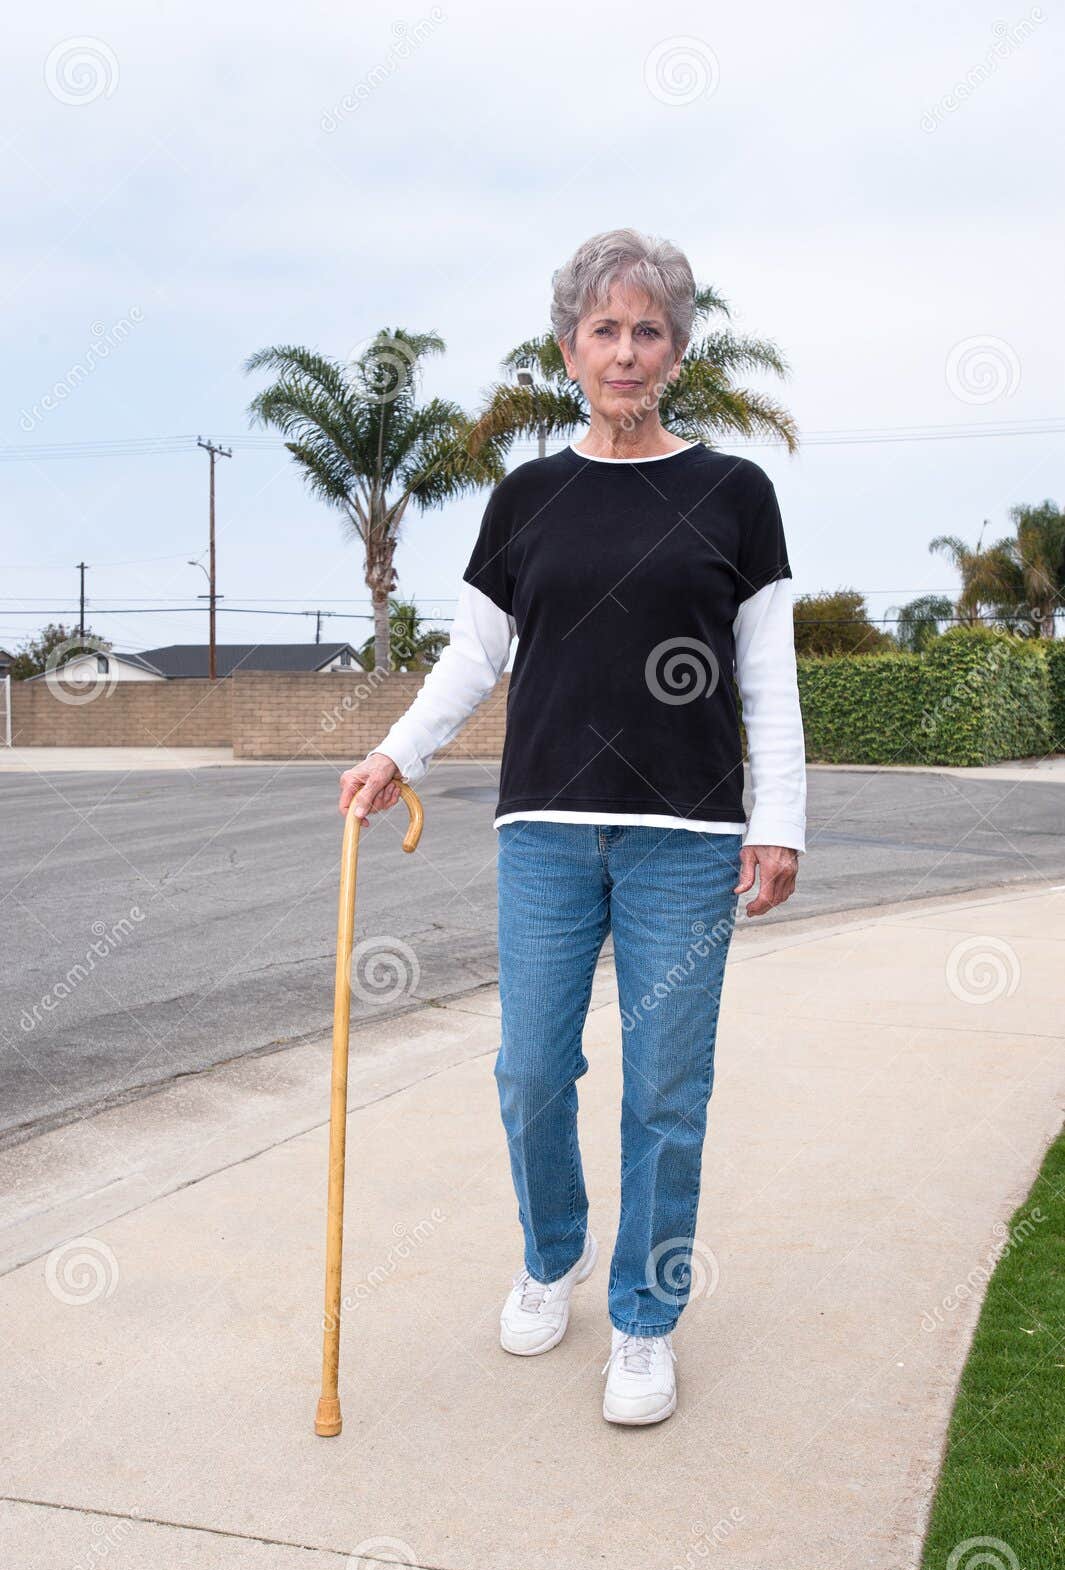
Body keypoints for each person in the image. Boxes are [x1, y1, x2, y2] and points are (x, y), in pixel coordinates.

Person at [338, 228, 806, 1427]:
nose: (627, 351)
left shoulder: (736, 495)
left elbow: (768, 677)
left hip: (686, 837)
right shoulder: (527, 496)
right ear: (569, 349)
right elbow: (474, 654)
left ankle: (646, 1322)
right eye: (605, 329)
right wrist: (397, 751)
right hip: (544, 829)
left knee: (664, 1088)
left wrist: (779, 822)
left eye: (650, 330)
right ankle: (555, 1255)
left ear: (679, 350)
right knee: (534, 1071)